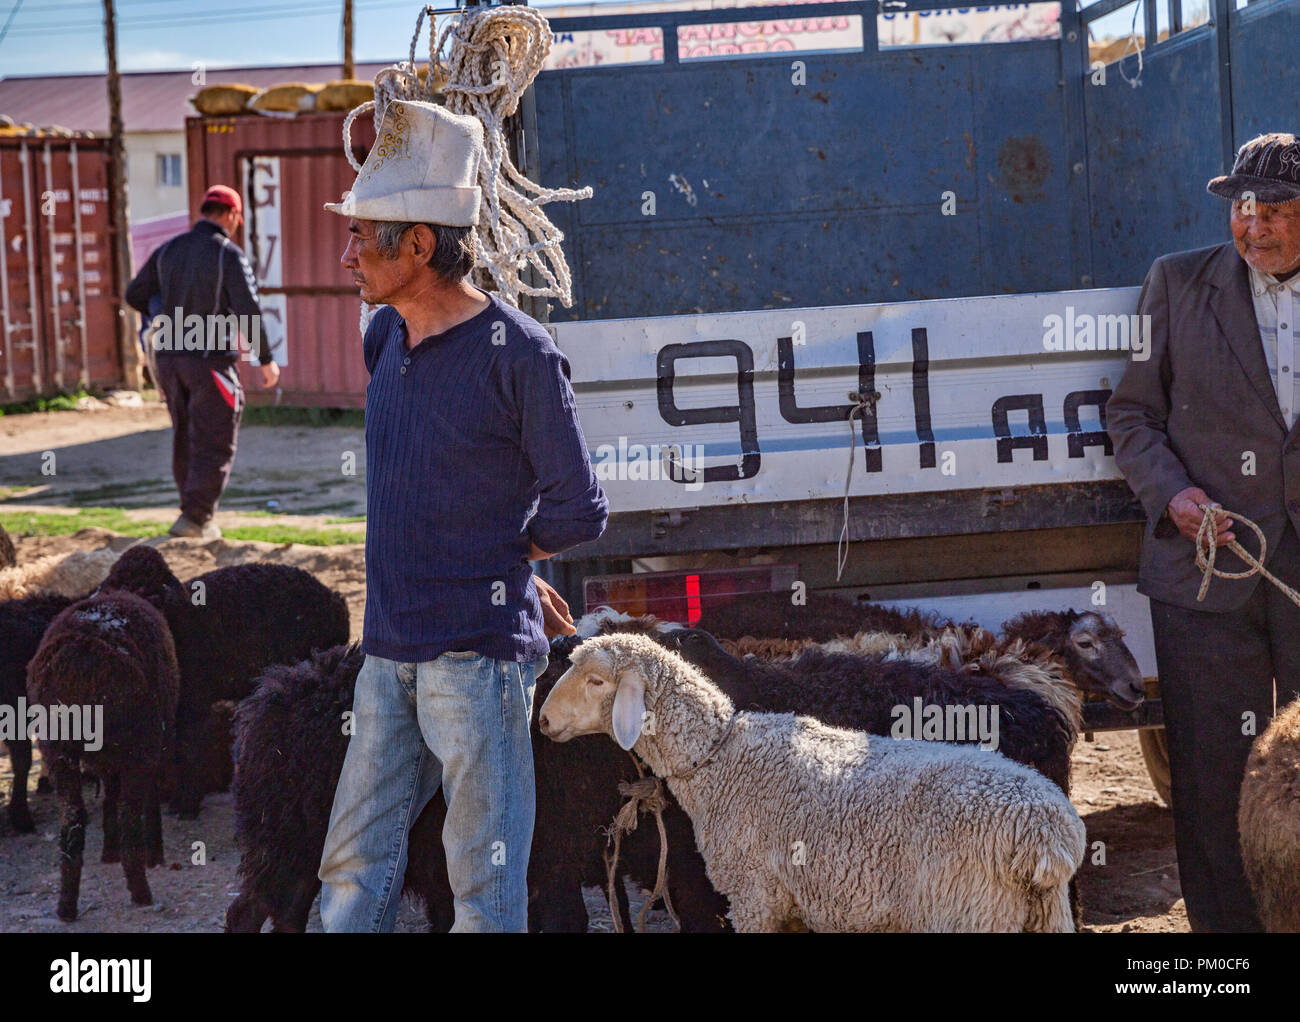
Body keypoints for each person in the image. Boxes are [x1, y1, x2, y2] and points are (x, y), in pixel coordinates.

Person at [316, 99, 608, 932]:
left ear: (417, 244)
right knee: (352, 866)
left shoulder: (521, 357)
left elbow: (580, 507)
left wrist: (506, 567)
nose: (346, 254)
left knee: (482, 881)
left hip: (478, 666)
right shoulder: (384, 339)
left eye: (360, 236)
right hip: (388, 652)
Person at [1108, 132, 1300, 932]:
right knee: (1213, 770)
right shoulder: (1176, 284)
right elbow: (1131, 413)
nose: (1253, 226)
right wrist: (1174, 493)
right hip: (1207, 569)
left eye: (1276, 210)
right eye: (1241, 209)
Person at [125, 184, 280, 539]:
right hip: (209, 363)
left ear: (203, 212)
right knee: (214, 437)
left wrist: (159, 312)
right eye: (237, 218)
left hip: (169, 363)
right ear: (230, 216)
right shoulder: (228, 255)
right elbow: (247, 309)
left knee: (186, 436)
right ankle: (196, 519)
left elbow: (134, 294)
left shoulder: (167, 250)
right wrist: (266, 359)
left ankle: (194, 516)